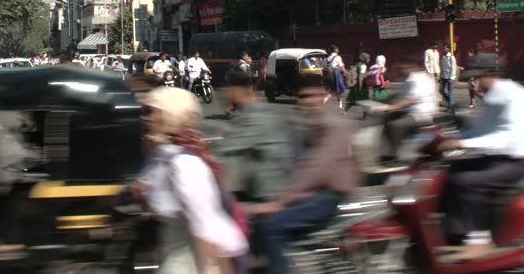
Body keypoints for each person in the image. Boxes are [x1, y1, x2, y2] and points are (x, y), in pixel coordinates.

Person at [438, 54, 524, 262]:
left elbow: (507, 136)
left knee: (466, 181)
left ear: (493, 74)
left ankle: (480, 241)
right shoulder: (492, 96)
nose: (474, 81)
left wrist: (462, 144)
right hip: (496, 157)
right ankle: (457, 233)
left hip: (515, 161)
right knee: (447, 172)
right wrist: (450, 137)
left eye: (478, 76)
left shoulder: (515, 96)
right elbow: (480, 130)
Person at [251, 76, 358, 274]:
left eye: (309, 96)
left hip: (327, 196)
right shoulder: (311, 122)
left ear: (323, 95)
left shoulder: (333, 124)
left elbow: (317, 167)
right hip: (312, 192)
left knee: (270, 227)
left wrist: (281, 202)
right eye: (301, 97)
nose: (305, 101)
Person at [136, 87, 248, 273]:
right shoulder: (160, 155)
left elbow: (206, 228)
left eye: (150, 111)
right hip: (174, 252)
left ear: (171, 114)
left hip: (196, 259)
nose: (144, 117)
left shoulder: (185, 164)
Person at [217, 71, 292, 202]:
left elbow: (226, 151)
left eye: (229, 90)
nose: (225, 95)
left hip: (269, 196)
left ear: (246, 89)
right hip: (253, 189)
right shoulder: (246, 113)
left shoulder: (258, 115)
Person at [380, 57, 437, 161]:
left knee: (395, 125)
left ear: (413, 67)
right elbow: (399, 94)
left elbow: (412, 99)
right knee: (387, 120)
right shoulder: (407, 78)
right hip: (410, 111)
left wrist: (393, 107)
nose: (401, 70)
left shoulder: (420, 79)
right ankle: (390, 152)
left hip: (421, 114)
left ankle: (396, 156)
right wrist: (381, 101)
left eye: (403, 67)